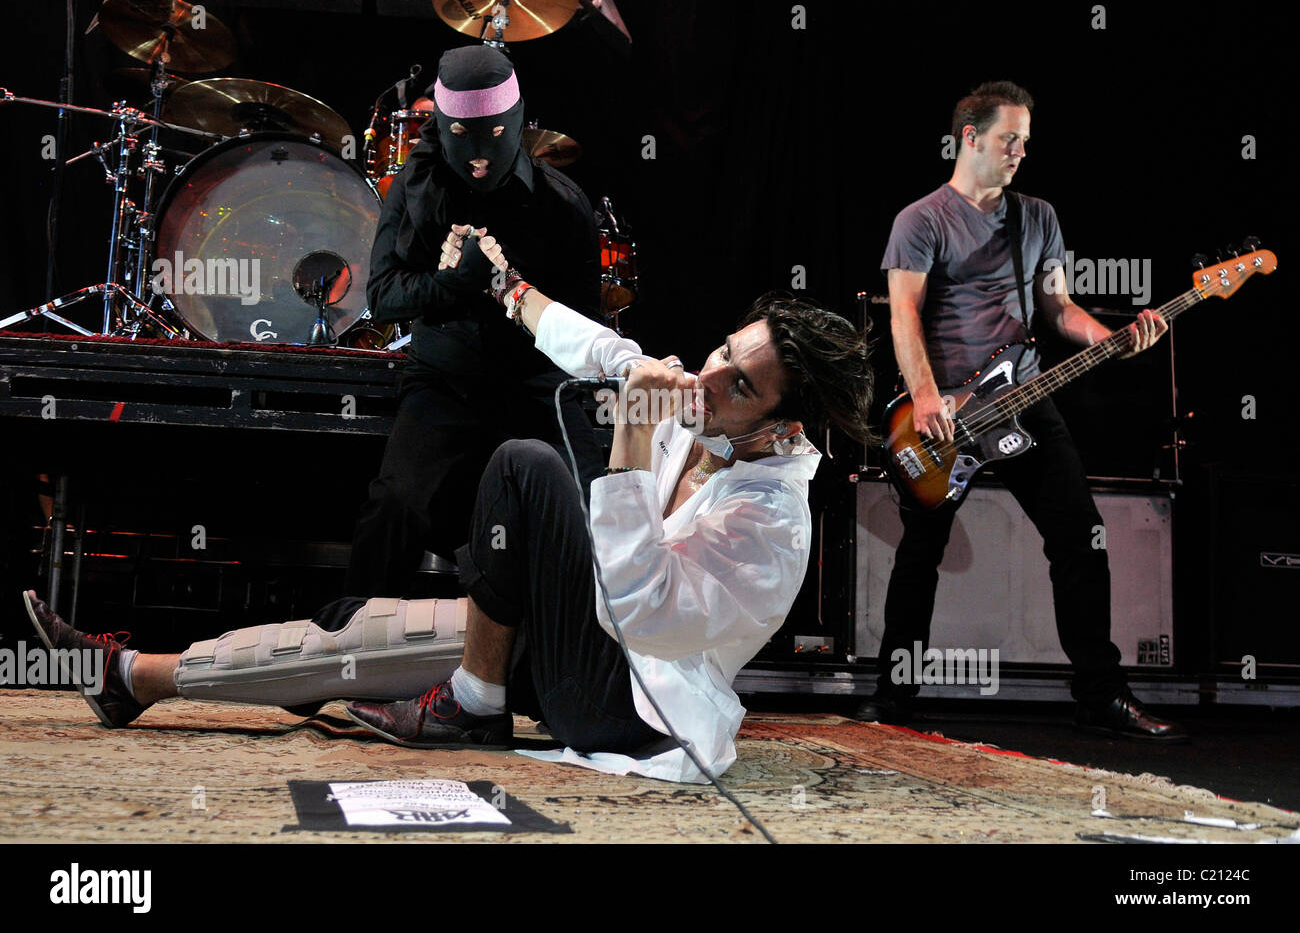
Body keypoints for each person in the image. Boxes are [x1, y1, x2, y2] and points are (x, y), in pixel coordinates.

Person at [24, 268, 876, 782]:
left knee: (528, 468)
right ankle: (130, 676)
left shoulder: (773, 523)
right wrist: (511, 289)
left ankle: (475, 699)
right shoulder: (707, 411)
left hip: (632, 706)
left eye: (740, 384)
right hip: (570, 649)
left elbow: (638, 615)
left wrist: (626, 447)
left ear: (787, 426)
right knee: (361, 636)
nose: (713, 376)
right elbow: (602, 350)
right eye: (726, 350)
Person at [867, 80, 1184, 740]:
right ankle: (893, 704)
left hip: (1024, 398)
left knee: (1079, 539)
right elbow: (903, 316)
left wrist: (1113, 339)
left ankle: (1100, 694)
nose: (1019, 152)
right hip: (944, 413)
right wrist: (925, 395)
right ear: (969, 138)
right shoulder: (920, 220)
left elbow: (1058, 307)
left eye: (1026, 142)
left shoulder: (1037, 217)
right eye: (1009, 139)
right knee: (920, 553)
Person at [344, 44, 604, 602]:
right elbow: (385, 296)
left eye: (492, 134)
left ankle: (575, 666)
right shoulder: (415, 190)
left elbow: (586, 329)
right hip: (444, 381)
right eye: (460, 135)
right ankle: (351, 652)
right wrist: (452, 285)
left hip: (534, 386)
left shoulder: (563, 206)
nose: (478, 155)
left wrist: (519, 296)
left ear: (516, 125)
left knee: (593, 508)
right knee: (393, 506)